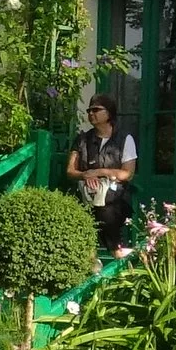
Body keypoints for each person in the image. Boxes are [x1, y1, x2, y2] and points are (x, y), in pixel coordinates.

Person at [67, 95, 136, 253]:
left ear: (109, 113)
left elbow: (128, 173)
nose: (91, 113)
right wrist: (85, 176)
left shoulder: (125, 139)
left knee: (107, 211)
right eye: (89, 110)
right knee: (83, 211)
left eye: (96, 110)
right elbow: (70, 171)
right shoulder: (82, 140)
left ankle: (113, 253)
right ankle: (106, 254)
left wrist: (99, 172)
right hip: (84, 194)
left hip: (114, 196)